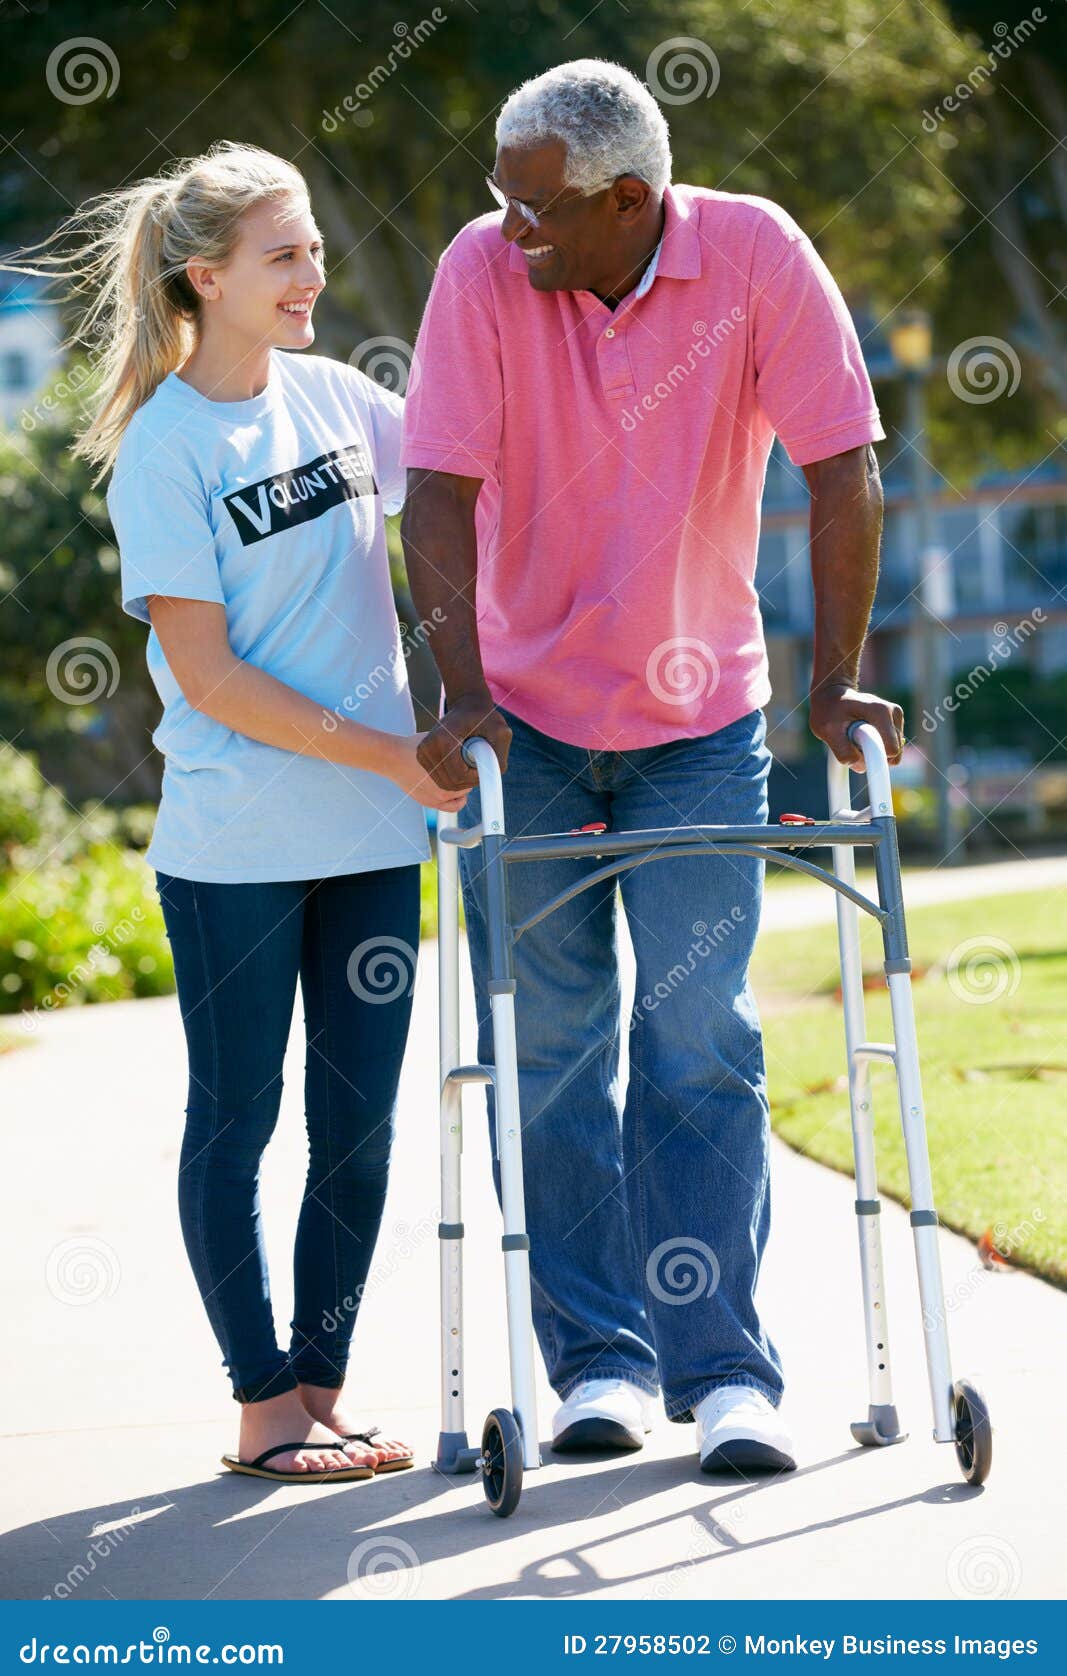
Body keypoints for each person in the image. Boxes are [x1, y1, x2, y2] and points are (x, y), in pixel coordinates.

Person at [400, 61, 904, 1476]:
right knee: (551, 1048)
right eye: (502, 200)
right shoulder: (483, 274)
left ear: (633, 199)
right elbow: (434, 492)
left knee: (702, 1039)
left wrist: (830, 677)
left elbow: (844, 463)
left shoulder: (753, 252)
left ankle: (728, 1372)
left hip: (700, 721)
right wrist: (464, 691)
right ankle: (599, 1365)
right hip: (532, 725)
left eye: (538, 207)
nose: (510, 229)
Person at [15, 141, 470, 1482]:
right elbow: (207, 673)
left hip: (377, 844)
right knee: (238, 1121)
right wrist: (392, 755)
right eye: (285, 255)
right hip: (237, 853)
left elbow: (458, 501)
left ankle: (323, 1389)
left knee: (361, 1124)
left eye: (316, 246)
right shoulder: (163, 451)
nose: (313, 273)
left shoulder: (339, 398)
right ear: (204, 277)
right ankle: (261, 1404)